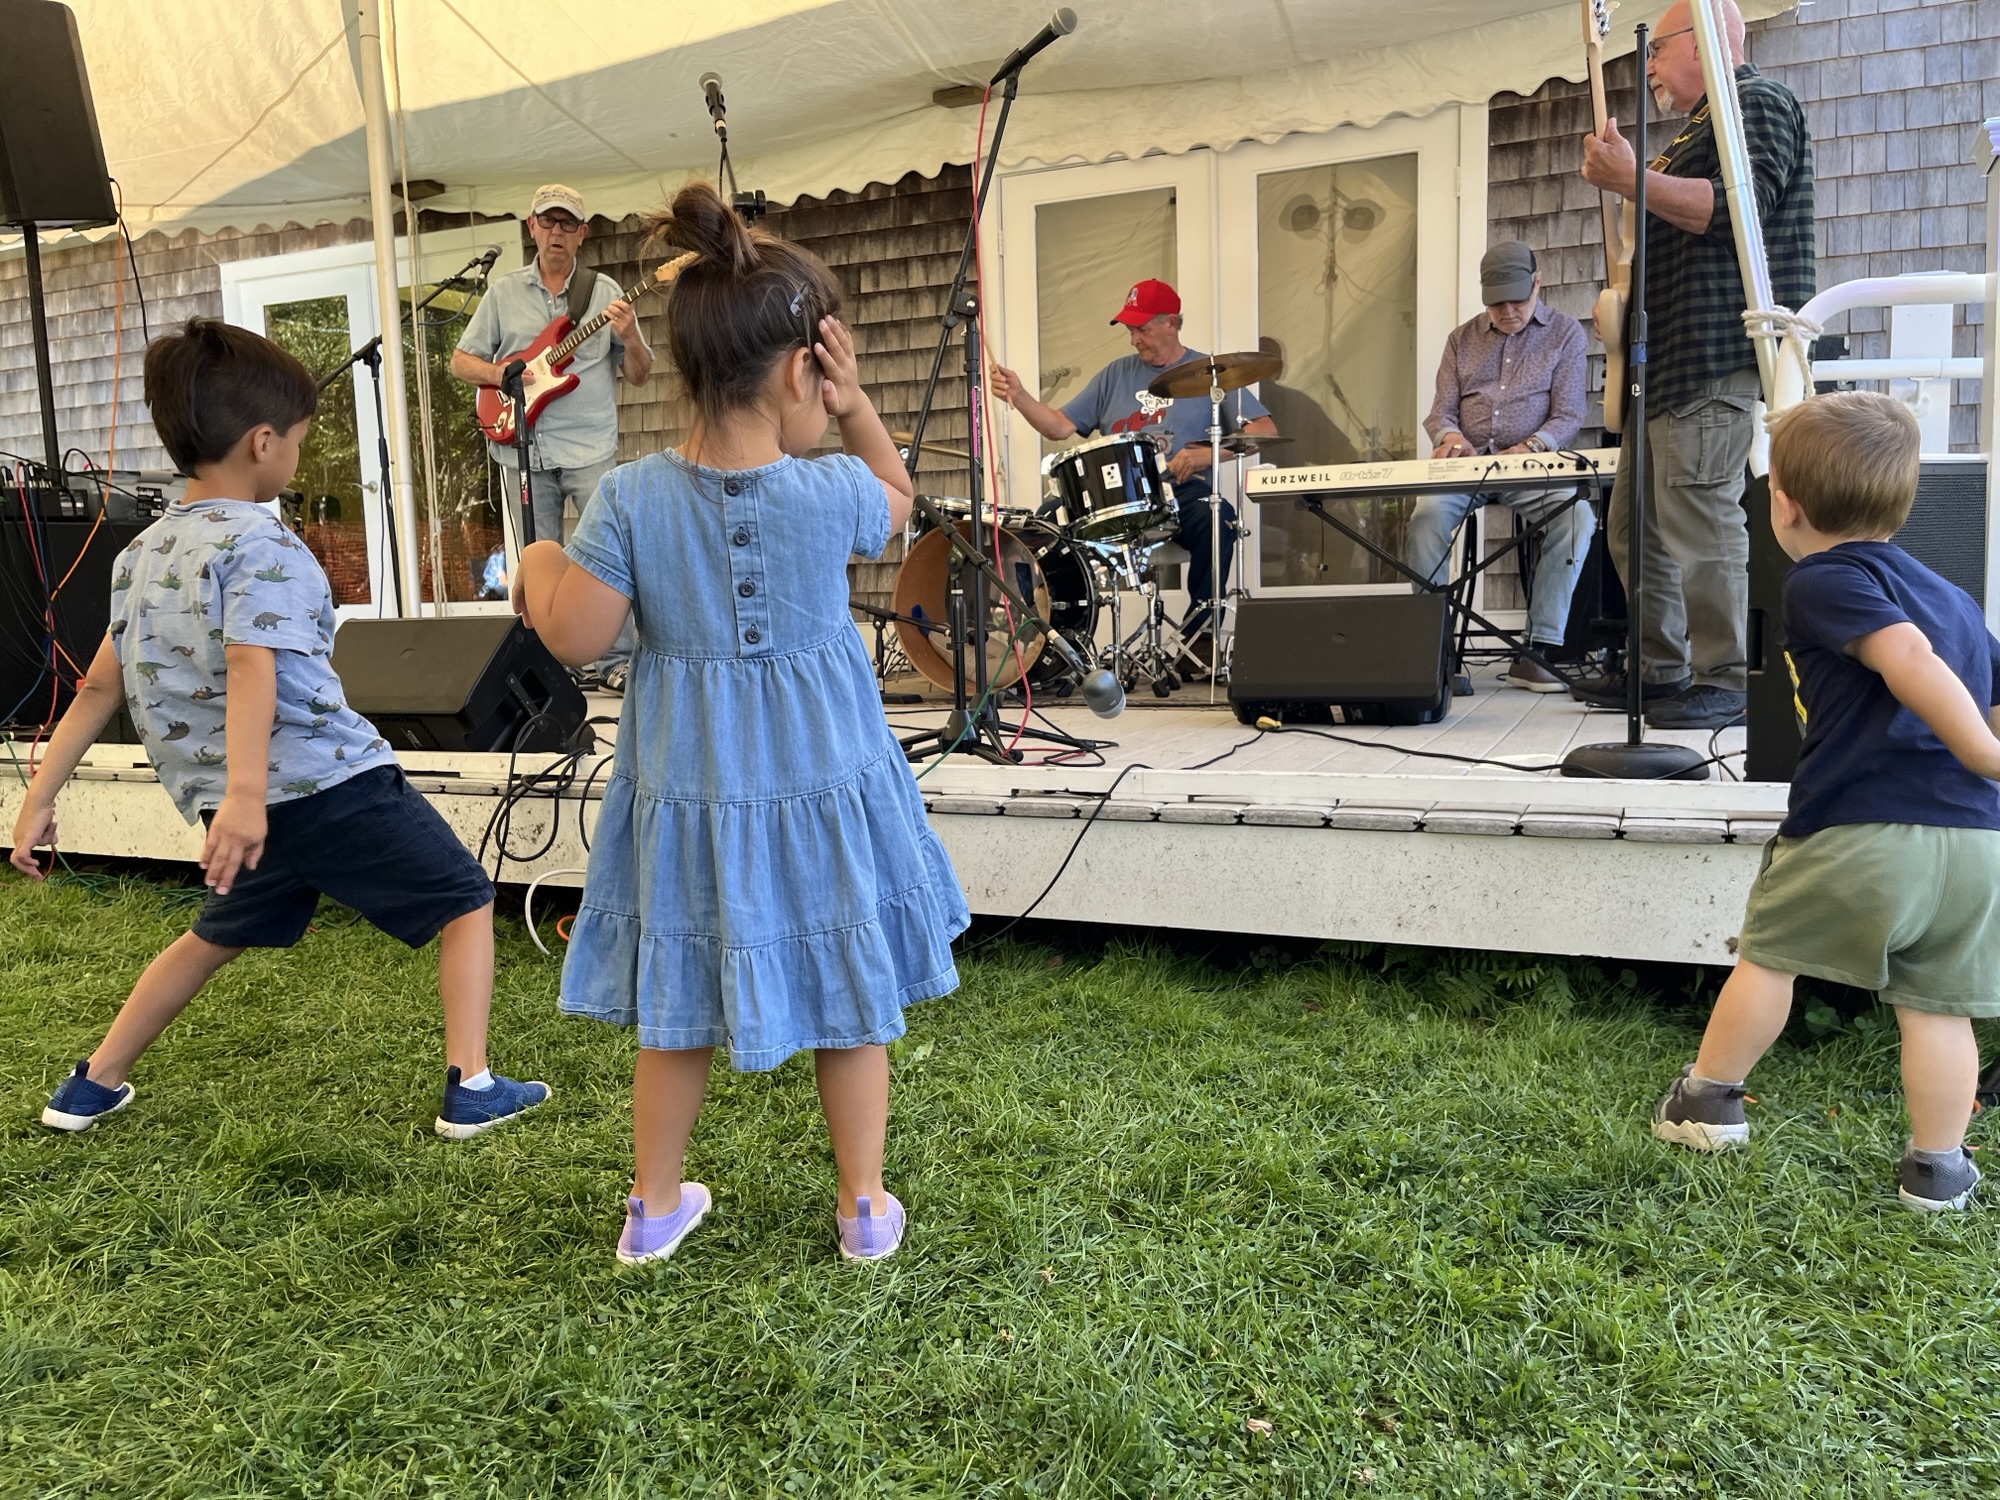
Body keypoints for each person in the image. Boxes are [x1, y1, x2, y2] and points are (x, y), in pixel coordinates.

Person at [513, 182, 969, 1266]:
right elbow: (897, 500)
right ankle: (862, 1208)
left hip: (697, 785)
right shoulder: (825, 490)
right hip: (824, 781)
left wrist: (534, 564)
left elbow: (577, 637)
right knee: (852, 995)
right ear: (804, 368)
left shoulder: (627, 497)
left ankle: (655, 1207)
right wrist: (858, 410)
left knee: (677, 1008)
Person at [10, 319, 548, 1140]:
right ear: (263, 443)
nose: (299, 453)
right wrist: (250, 796)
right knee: (467, 899)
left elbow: (95, 687)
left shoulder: (139, 554)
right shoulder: (265, 543)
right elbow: (253, 666)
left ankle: (92, 1082)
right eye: (298, 440)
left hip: (241, 808)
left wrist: (40, 797)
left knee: (211, 938)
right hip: (323, 784)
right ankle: (470, 1085)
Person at [1650, 393, 2000, 1211]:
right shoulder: (1955, 598)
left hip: (1859, 827)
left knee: (1771, 959)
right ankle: (1938, 1170)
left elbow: (1905, 657)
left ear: (1784, 503)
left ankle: (1707, 1103)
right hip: (1976, 843)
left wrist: (1980, 751)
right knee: (1939, 1008)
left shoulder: (1823, 577)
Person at [1578, 0, 1814, 729]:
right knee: (1633, 527)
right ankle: (1662, 671)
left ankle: (1724, 677)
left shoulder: (1756, 99)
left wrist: (1629, 181)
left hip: (1715, 348)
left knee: (1700, 519)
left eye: (1657, 50)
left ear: (1705, 43)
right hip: (1665, 361)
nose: (1647, 64)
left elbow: (1735, 204)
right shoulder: (1690, 133)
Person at [988, 279, 1278, 665]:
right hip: (1112, 496)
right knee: (1039, 529)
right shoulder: (1114, 375)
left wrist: (1208, 455)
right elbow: (1059, 427)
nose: (1133, 339)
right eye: (1130, 329)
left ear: (1172, 322)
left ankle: (1200, 637)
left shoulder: (1211, 374)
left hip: (1177, 493)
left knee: (1217, 517)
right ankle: (1047, 643)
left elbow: (1264, 430)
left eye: (1142, 329)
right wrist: (1019, 395)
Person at [450, 184, 652, 691]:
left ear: (583, 234)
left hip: (588, 448)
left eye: (568, 224)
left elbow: (642, 374)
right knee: (539, 562)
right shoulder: (502, 293)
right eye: (549, 221)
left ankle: (616, 662)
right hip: (523, 446)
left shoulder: (605, 294)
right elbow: (461, 361)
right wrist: (504, 376)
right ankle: (552, 669)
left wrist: (630, 337)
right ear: (531, 226)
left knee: (609, 554)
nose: (557, 232)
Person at [1407, 243, 1591, 692]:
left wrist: (1530, 446)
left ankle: (1538, 649)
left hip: (1530, 466)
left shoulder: (1566, 334)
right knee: (1425, 520)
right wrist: (1449, 438)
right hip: (1467, 468)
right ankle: (1433, 650)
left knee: (1576, 516)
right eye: (1496, 303)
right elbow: (1440, 413)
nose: (1507, 311)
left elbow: (1568, 415)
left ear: (1537, 283)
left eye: (1517, 300)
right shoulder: (1460, 339)